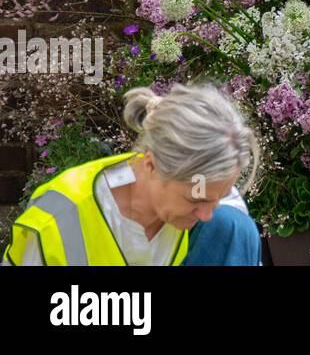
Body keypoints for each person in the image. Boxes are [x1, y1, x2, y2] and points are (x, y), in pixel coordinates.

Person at [3, 84, 261, 266]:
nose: (207, 215)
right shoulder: (60, 219)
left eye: (218, 197)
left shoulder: (203, 189)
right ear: (151, 165)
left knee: (234, 225)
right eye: (195, 201)